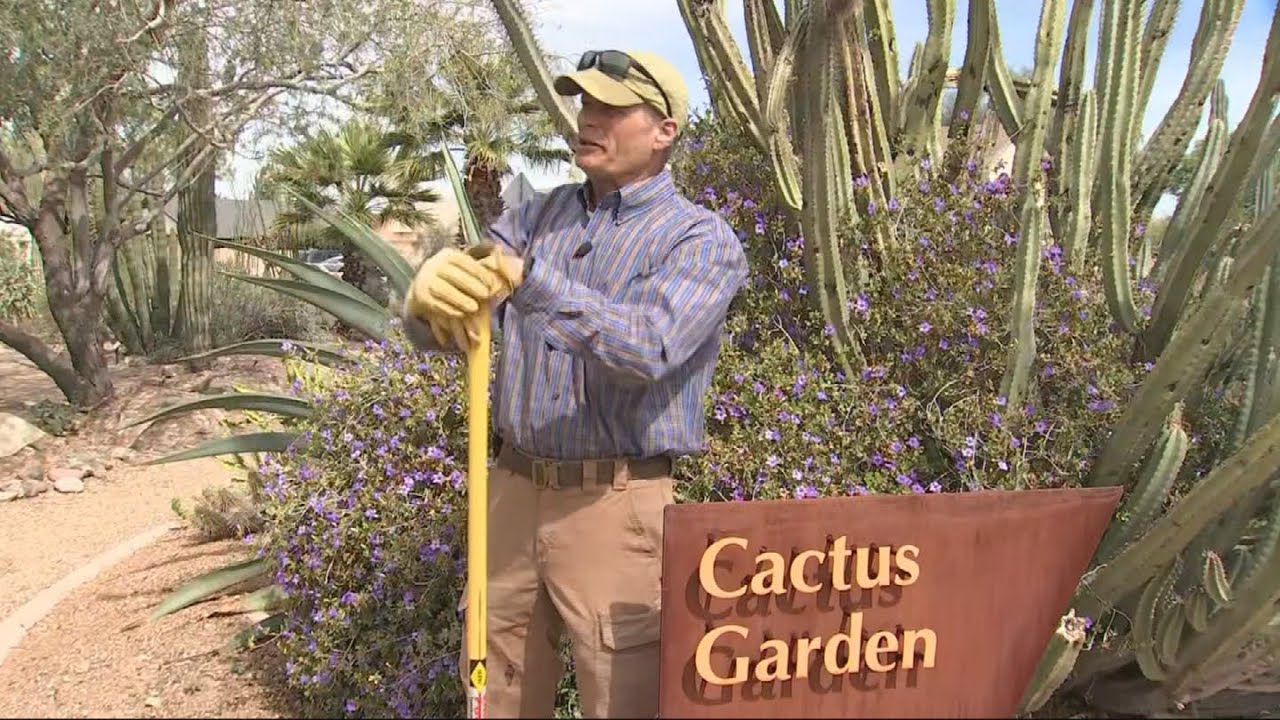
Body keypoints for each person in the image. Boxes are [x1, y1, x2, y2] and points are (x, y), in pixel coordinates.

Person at [400, 49, 748, 718]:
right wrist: (422, 308)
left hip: (616, 508)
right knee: (493, 691)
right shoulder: (533, 216)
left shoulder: (700, 241)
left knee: (625, 701)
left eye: (612, 109)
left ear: (664, 130)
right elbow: (456, 325)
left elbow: (648, 346)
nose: (589, 119)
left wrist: (530, 281)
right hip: (510, 491)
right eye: (585, 105)